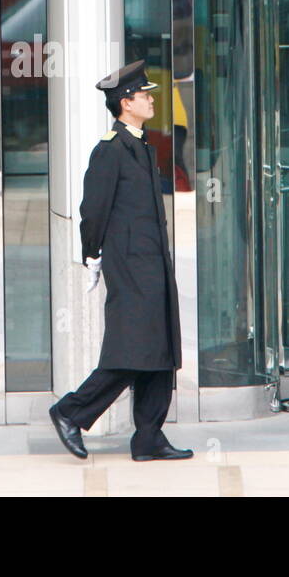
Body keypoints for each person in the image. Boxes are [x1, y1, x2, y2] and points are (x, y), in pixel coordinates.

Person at [48, 60, 192, 462]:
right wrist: (91, 254)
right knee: (132, 349)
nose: (150, 100)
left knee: (160, 349)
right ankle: (71, 411)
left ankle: (149, 436)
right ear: (126, 102)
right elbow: (92, 209)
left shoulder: (141, 145)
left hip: (152, 262)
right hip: (129, 265)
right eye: (144, 95)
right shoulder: (110, 150)